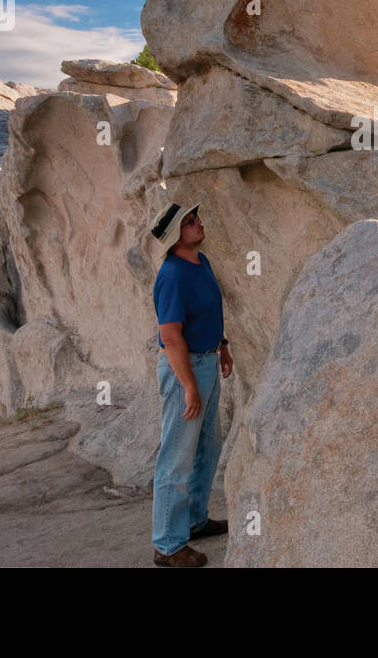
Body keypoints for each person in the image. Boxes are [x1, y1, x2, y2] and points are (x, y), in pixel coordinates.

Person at [148, 200, 234, 567]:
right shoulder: (172, 274)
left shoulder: (202, 262)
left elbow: (211, 310)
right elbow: (170, 336)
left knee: (206, 449)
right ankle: (167, 545)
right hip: (186, 368)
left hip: (208, 360)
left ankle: (195, 521)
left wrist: (223, 347)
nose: (199, 222)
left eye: (196, 217)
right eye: (190, 221)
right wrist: (188, 385)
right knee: (177, 459)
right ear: (174, 236)